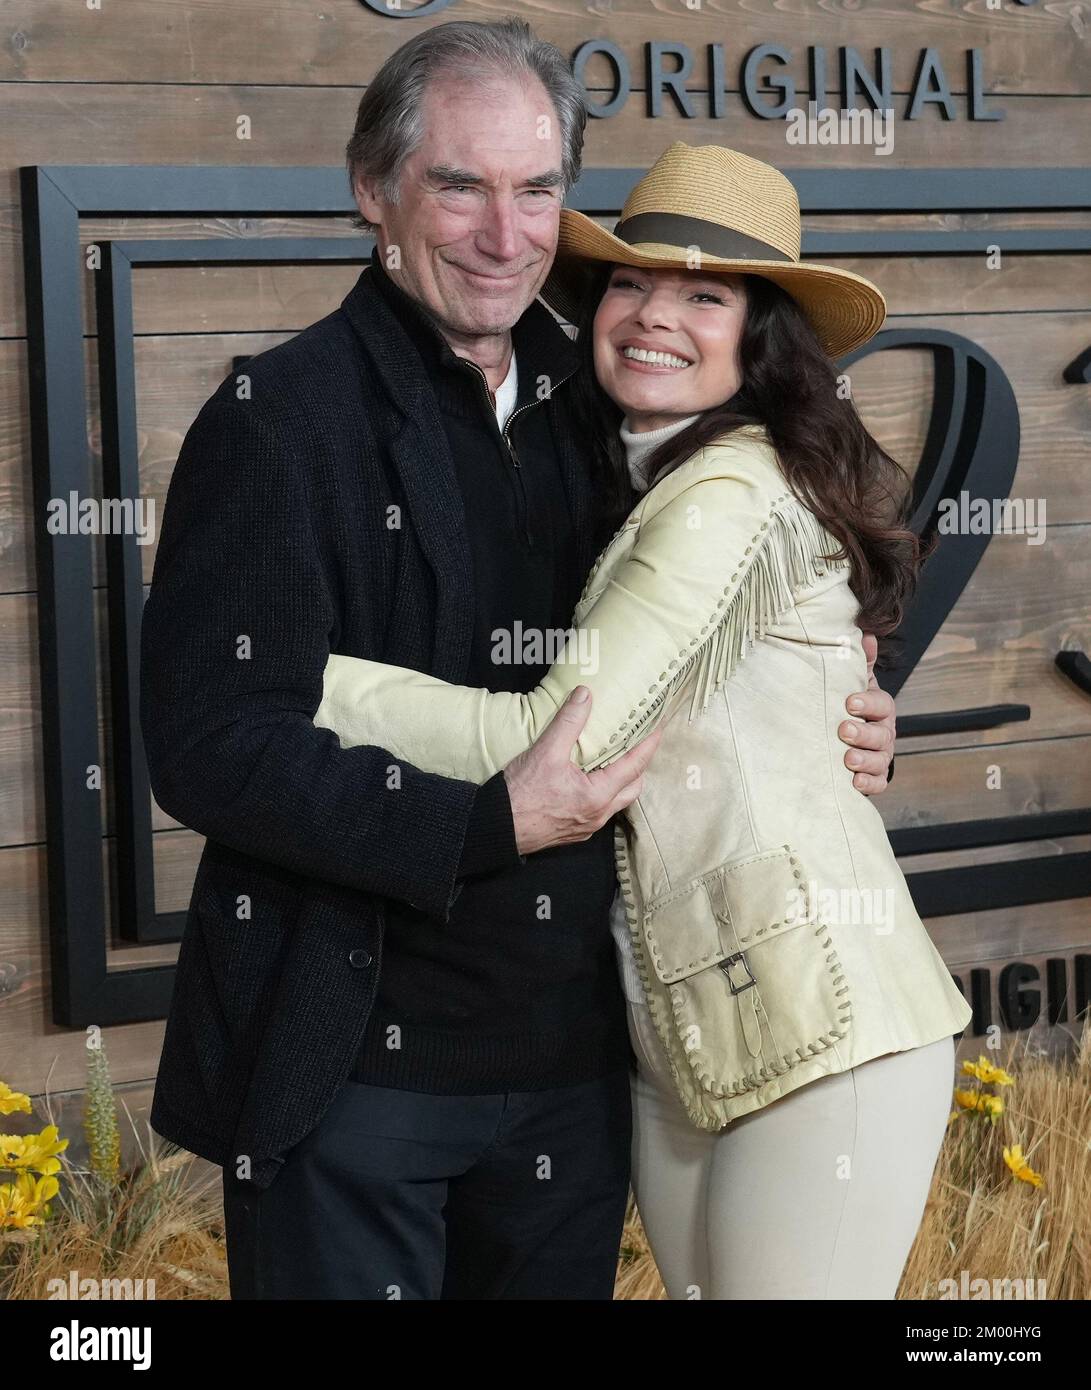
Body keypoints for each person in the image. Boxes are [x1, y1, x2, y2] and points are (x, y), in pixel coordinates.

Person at [140, 20, 895, 1301]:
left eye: (537, 188)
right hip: (356, 1074)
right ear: (371, 189)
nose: (505, 234)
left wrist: (856, 703)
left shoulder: (612, 386)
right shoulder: (277, 421)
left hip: (579, 1067)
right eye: (460, 185)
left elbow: (766, 575)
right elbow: (213, 744)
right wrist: (484, 821)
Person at [311, 140, 972, 1300]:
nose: (654, 315)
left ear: (758, 336)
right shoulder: (641, 469)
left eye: (705, 295)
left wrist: (305, 686)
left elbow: (548, 741)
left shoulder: (723, 489)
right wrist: (849, 707)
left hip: (820, 1029)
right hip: (687, 1026)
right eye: (631, 282)